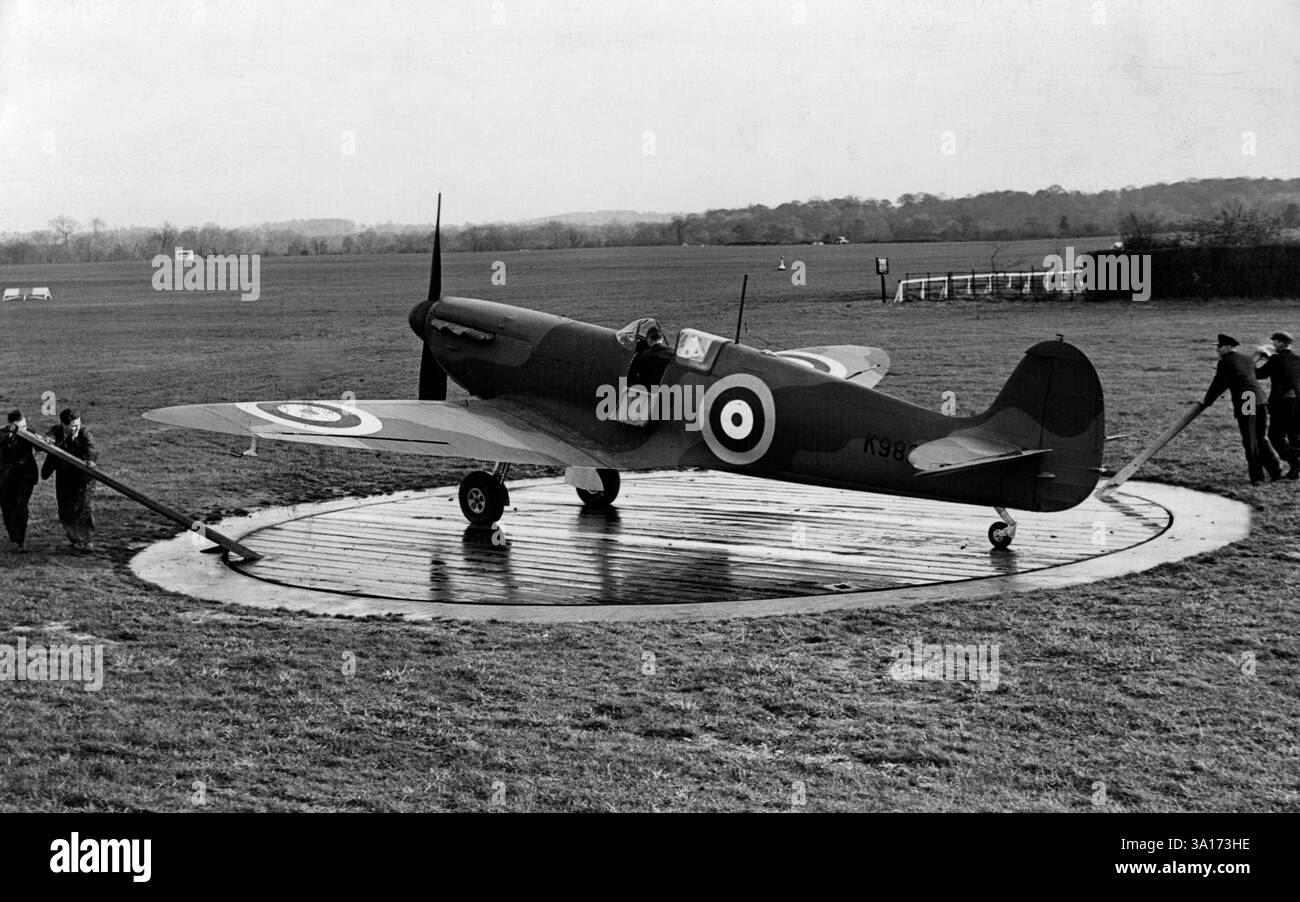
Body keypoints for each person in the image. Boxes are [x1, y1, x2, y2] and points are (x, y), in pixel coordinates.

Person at [1203, 334, 1281, 486]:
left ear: (1228, 347)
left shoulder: (1225, 362)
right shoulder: (1247, 359)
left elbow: (1217, 383)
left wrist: (1207, 401)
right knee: (1261, 436)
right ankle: (1275, 469)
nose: (1217, 350)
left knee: (1250, 440)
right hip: (1261, 399)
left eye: (1219, 347)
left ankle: (1257, 477)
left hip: (1247, 399)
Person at [42, 408, 99, 550]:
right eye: (73, 425)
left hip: (83, 478)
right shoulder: (56, 431)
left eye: (78, 424)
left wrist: (91, 460)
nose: (76, 427)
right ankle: (75, 539)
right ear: (63, 425)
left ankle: (87, 540)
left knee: (85, 509)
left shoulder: (85, 432)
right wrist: (49, 440)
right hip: (65, 477)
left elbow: (91, 448)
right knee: (66, 510)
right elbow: (49, 436)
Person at [1255, 330, 1300, 480]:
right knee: (1294, 436)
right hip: (1297, 403)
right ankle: (1295, 469)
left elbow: (1259, 374)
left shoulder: (1276, 360)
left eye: (1275, 341)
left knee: (1275, 436)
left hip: (1282, 404)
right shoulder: (1297, 359)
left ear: (1281, 343)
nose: (1273, 344)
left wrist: (1258, 357)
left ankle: (1295, 462)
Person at [0, 410, 40, 552]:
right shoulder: (2, 434)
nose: (22, 429)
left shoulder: (29, 432)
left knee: (20, 506)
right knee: (7, 507)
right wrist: (11, 435)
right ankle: (13, 537)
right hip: (5, 478)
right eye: (19, 426)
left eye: (24, 425)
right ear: (10, 424)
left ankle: (19, 541)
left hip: (25, 476)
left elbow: (39, 445)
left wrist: (42, 440)